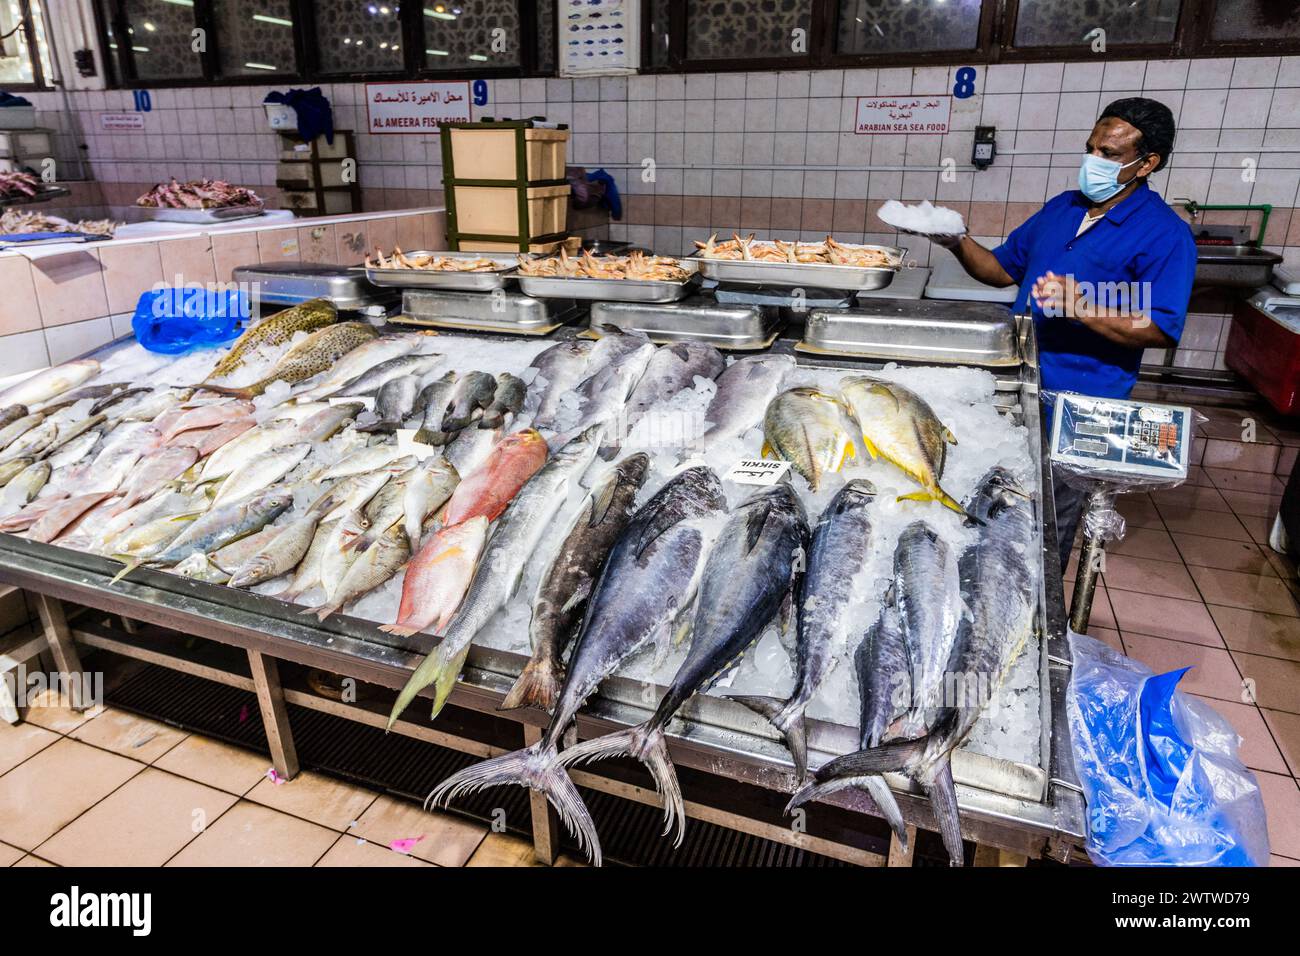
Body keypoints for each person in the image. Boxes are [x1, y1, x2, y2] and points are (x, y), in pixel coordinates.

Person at [925, 97, 1197, 571]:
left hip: (1081, 409)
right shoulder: (1062, 209)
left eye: (1109, 154)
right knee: (995, 504)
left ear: (1147, 163)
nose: (1093, 160)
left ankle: (1037, 624)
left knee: (1049, 526)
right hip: (1015, 387)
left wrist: (1083, 307)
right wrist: (957, 241)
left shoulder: (1165, 234)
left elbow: (1161, 326)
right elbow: (999, 269)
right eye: (1091, 147)